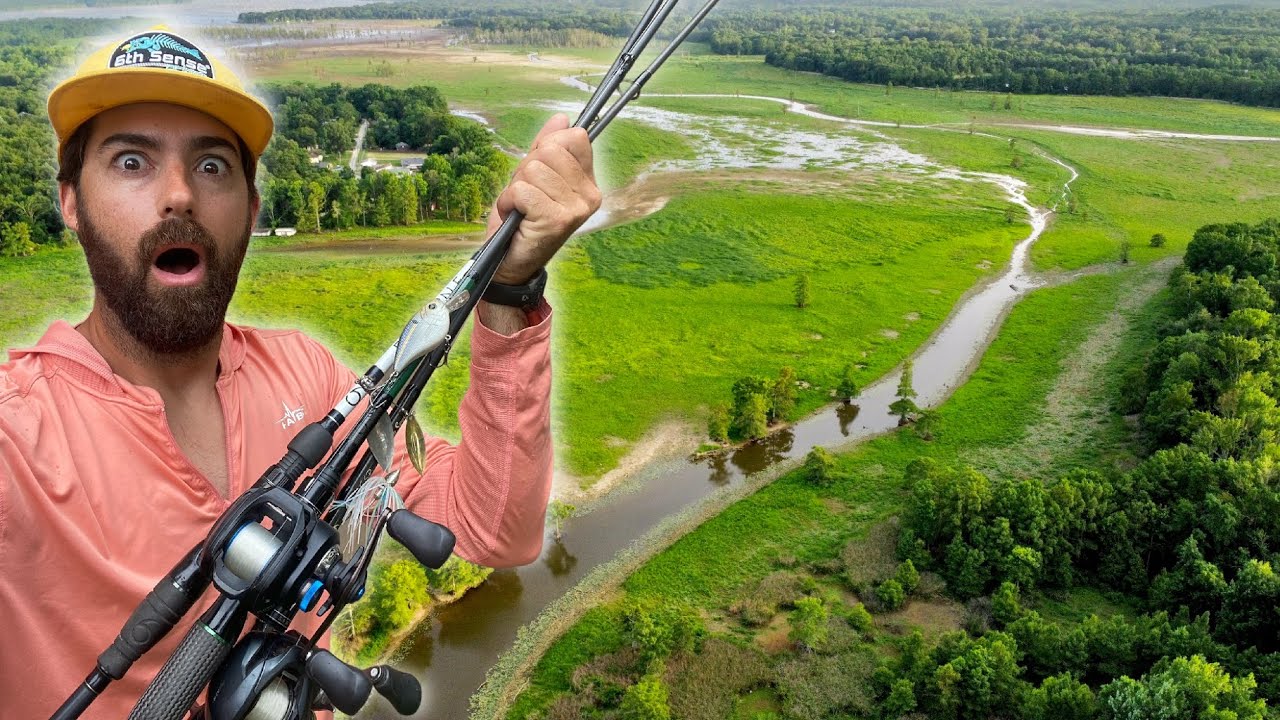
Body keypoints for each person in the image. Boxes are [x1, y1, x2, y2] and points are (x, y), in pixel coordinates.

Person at [0, 25, 600, 718]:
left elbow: (495, 527)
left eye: (213, 166)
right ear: (71, 202)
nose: (179, 196)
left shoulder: (304, 374)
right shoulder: (20, 435)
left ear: (250, 211)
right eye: (131, 162)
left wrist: (509, 291)